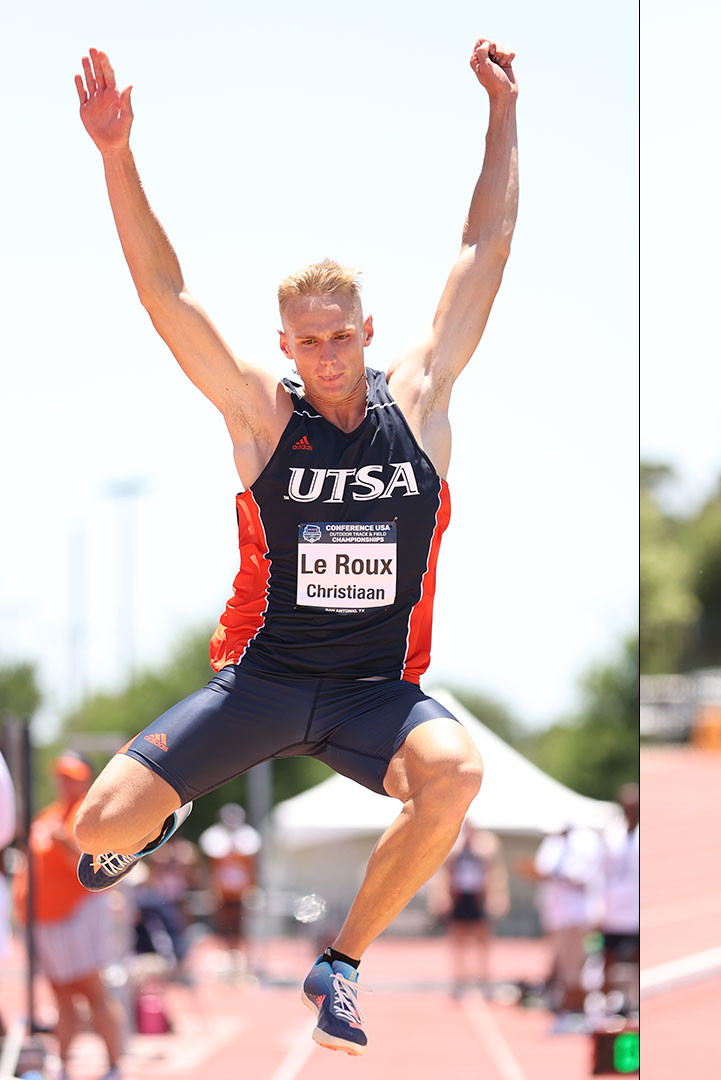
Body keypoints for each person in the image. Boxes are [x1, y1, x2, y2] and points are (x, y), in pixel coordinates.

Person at [67, 39, 517, 1057]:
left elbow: (483, 250)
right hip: (262, 680)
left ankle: (343, 965)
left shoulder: (423, 404)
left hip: (371, 691)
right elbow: (166, 299)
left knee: (455, 775)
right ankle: (164, 814)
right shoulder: (264, 424)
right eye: (306, 342)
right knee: (93, 834)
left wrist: (502, 114)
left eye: (341, 337)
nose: (326, 356)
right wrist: (115, 156)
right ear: (286, 350)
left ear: (369, 332)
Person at [14, 755, 127, 1080]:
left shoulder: (88, 813)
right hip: (45, 919)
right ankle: (63, 1066)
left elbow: (102, 864)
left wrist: (67, 845)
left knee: (92, 992)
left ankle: (115, 1065)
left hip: (78, 914)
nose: (64, 782)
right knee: (61, 996)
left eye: (71, 776)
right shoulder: (49, 814)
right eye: (61, 776)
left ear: (85, 779)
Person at [531, 821, 605, 1029]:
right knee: (564, 964)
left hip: (580, 912)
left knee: (580, 963)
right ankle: (569, 1007)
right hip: (558, 913)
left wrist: (562, 875)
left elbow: (587, 874)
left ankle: (578, 1008)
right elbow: (542, 868)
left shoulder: (587, 840)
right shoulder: (552, 842)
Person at [428, 817, 507, 1000]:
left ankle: (484, 981)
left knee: (482, 940)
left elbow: (495, 871)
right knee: (458, 940)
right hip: (459, 896)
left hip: (478, 896)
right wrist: (441, 896)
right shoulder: (453, 844)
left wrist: (497, 896)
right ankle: (459, 982)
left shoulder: (486, 844)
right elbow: (442, 871)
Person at [198, 803, 260, 978]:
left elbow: (252, 865)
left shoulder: (248, 837)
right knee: (223, 927)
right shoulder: (215, 837)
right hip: (222, 893)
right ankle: (227, 958)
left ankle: (240, 959)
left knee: (241, 927)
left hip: (241, 892)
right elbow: (211, 864)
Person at [600, 784, 639, 1019]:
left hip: (635, 909)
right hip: (613, 908)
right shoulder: (611, 833)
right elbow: (601, 871)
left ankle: (633, 999)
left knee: (635, 956)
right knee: (609, 958)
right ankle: (606, 1003)